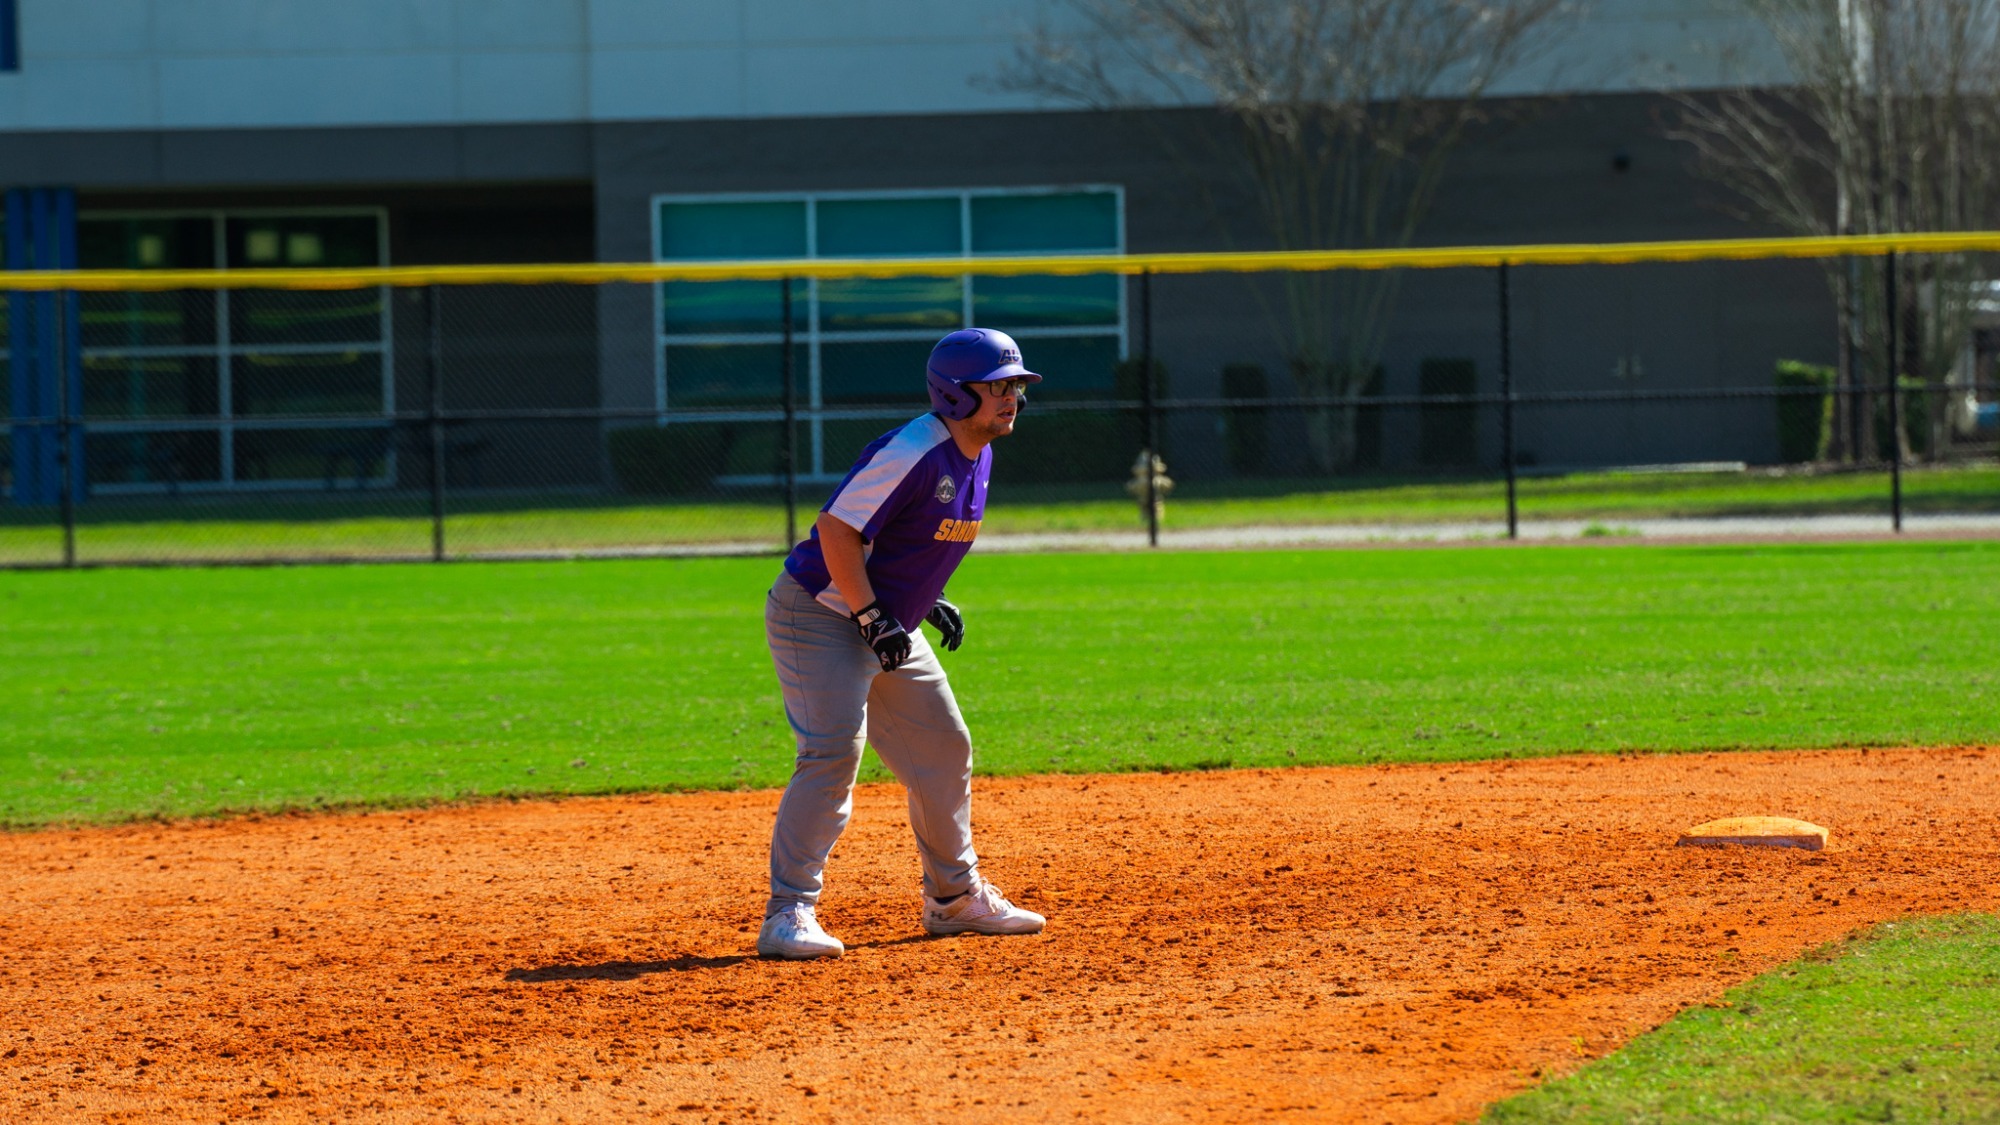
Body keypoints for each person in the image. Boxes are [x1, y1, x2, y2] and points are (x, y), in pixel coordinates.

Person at [756, 328, 1048, 960]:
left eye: (1017, 387)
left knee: (943, 747)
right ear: (955, 394)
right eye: (997, 387)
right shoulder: (915, 449)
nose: (1012, 399)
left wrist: (921, 596)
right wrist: (872, 614)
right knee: (832, 753)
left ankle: (953, 899)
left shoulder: (978, 451)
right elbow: (836, 529)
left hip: (883, 619)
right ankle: (788, 913)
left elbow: (907, 536)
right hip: (821, 613)